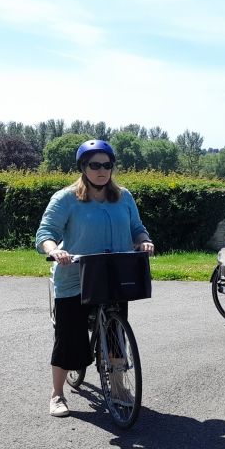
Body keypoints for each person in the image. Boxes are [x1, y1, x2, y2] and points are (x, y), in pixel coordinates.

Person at [35, 140, 155, 418]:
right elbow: (46, 233)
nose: (102, 170)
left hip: (114, 275)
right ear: (83, 168)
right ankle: (57, 394)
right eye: (95, 165)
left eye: (107, 165)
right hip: (76, 277)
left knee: (115, 335)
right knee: (69, 339)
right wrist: (55, 251)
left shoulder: (123, 196)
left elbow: (137, 228)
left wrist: (144, 241)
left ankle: (117, 388)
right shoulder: (66, 198)